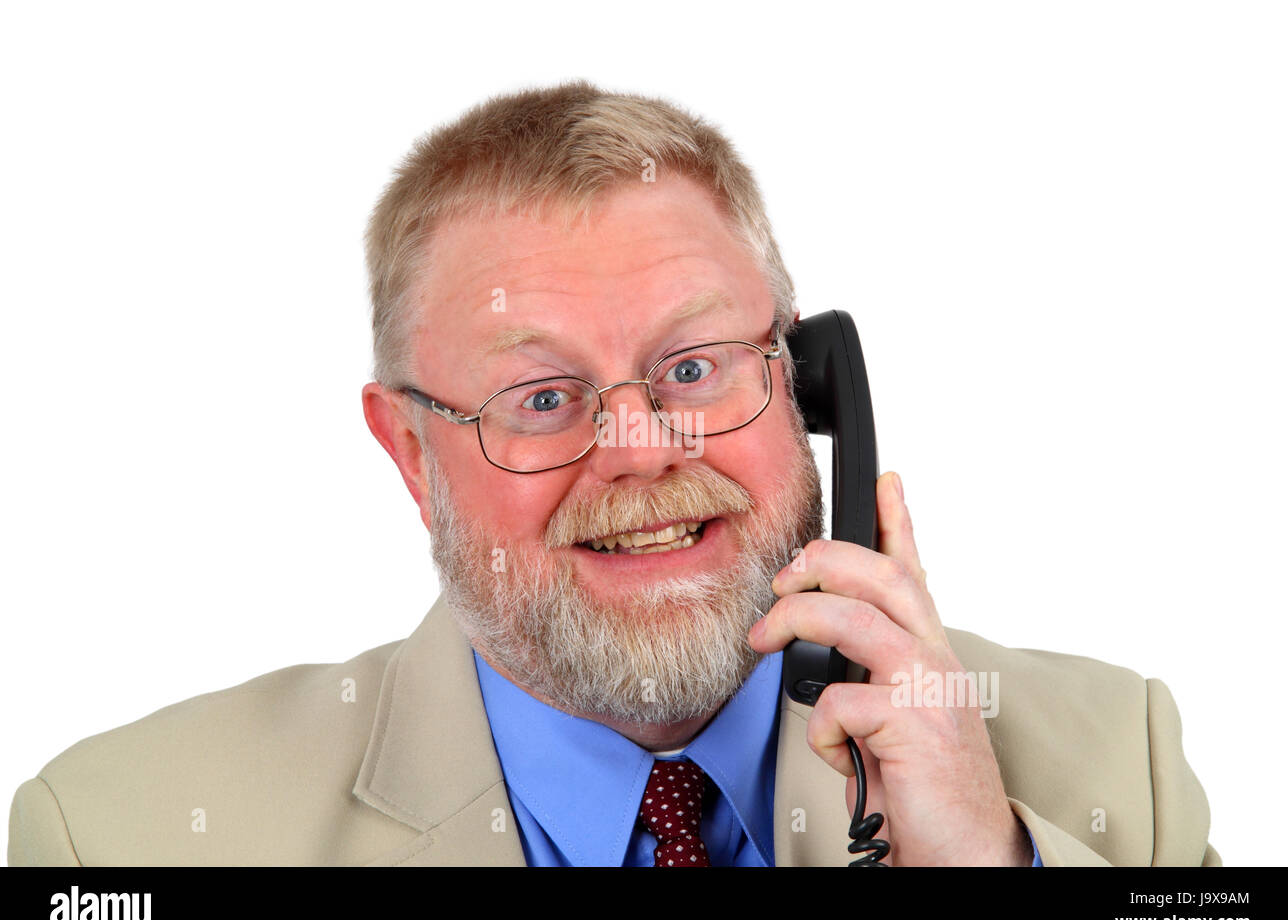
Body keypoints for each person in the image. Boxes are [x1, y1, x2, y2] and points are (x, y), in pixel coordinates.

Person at [7, 81, 1218, 867]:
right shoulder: (117, 837)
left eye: (691, 367)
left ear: (805, 384)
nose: (643, 449)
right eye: (541, 397)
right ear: (409, 452)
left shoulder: (1119, 771)